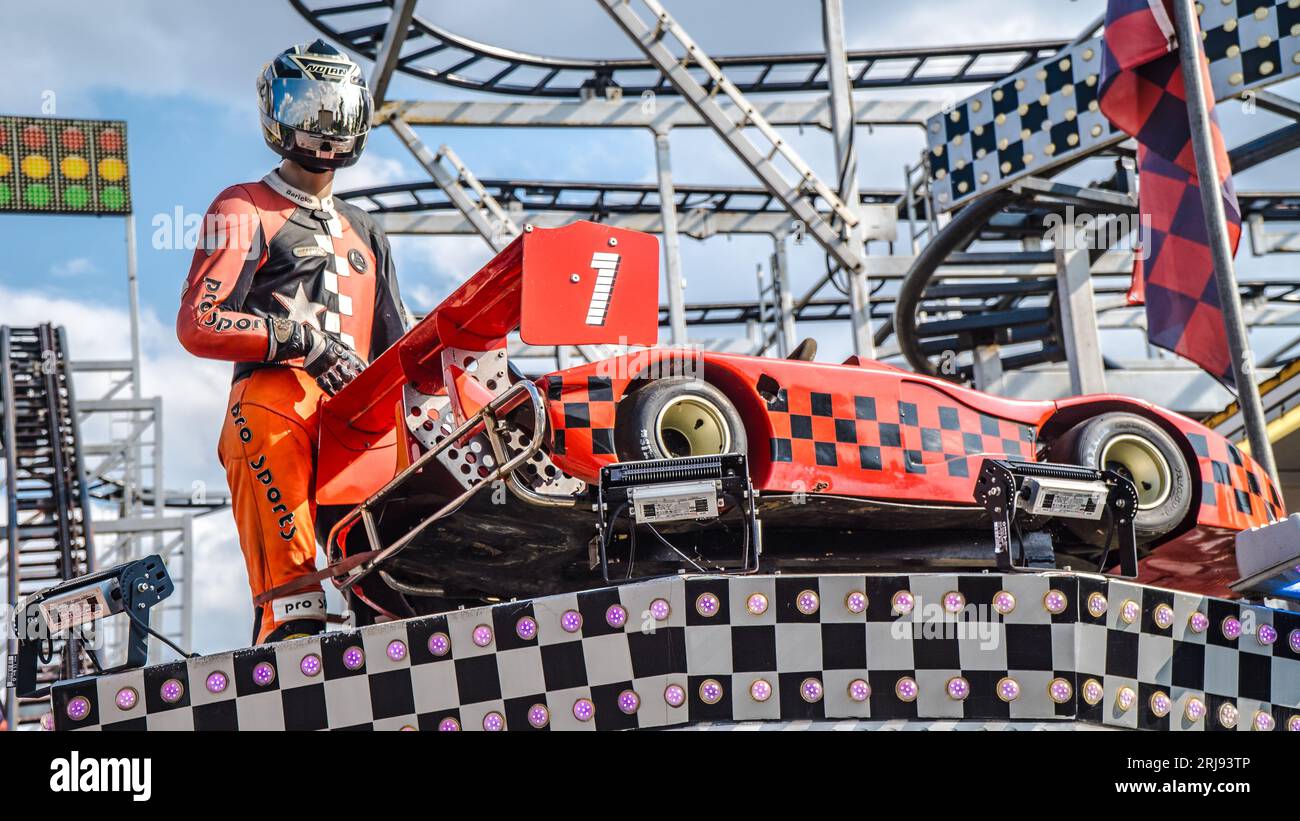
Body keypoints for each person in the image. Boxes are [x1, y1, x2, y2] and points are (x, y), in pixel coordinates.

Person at [177, 40, 407, 644]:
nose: (325, 127)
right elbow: (199, 322)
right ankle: (287, 624)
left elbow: (398, 352)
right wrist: (302, 341)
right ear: (277, 112)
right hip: (274, 412)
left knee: (393, 598)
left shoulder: (367, 230)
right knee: (297, 613)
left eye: (338, 110)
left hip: (357, 421)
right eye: (309, 108)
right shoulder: (243, 206)